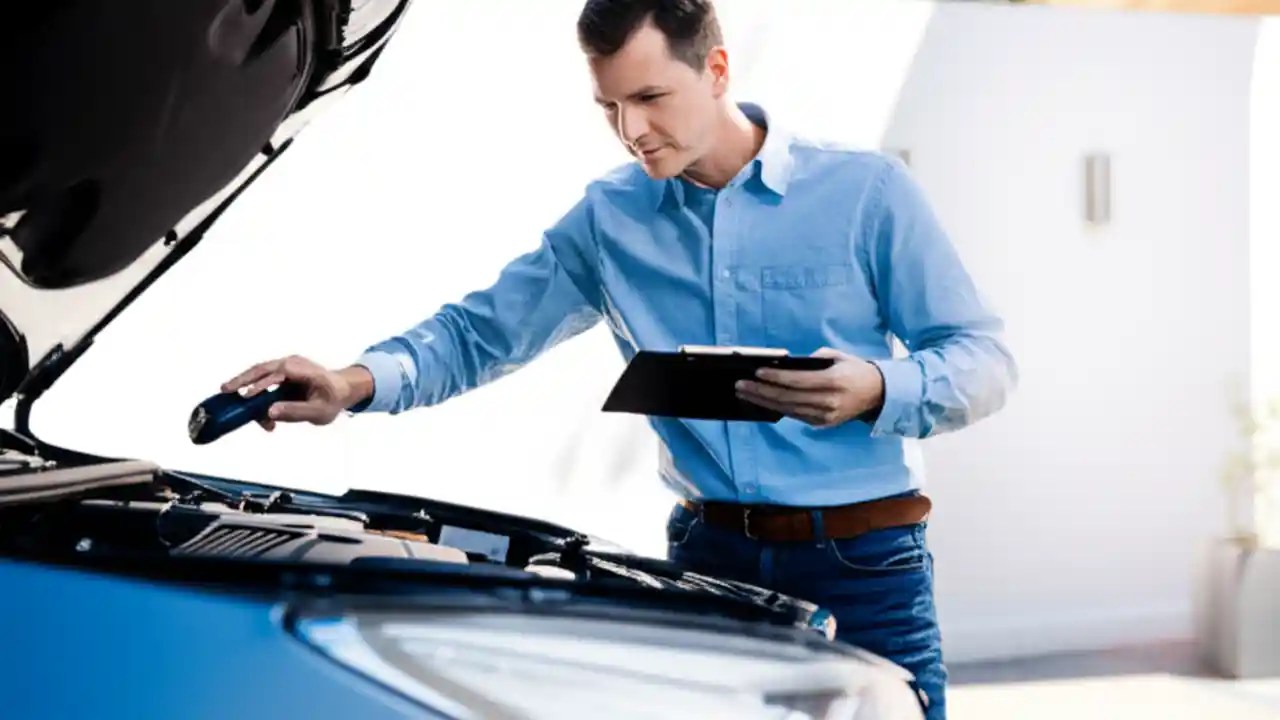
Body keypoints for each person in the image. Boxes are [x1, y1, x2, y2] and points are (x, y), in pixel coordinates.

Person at [221, 1, 1017, 717]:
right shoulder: (611, 218)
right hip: (710, 564)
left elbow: (983, 360)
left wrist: (879, 387)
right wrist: (350, 383)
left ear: (716, 70)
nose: (631, 130)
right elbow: (480, 333)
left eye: (648, 99)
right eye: (608, 107)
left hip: (864, 563)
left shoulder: (866, 193)